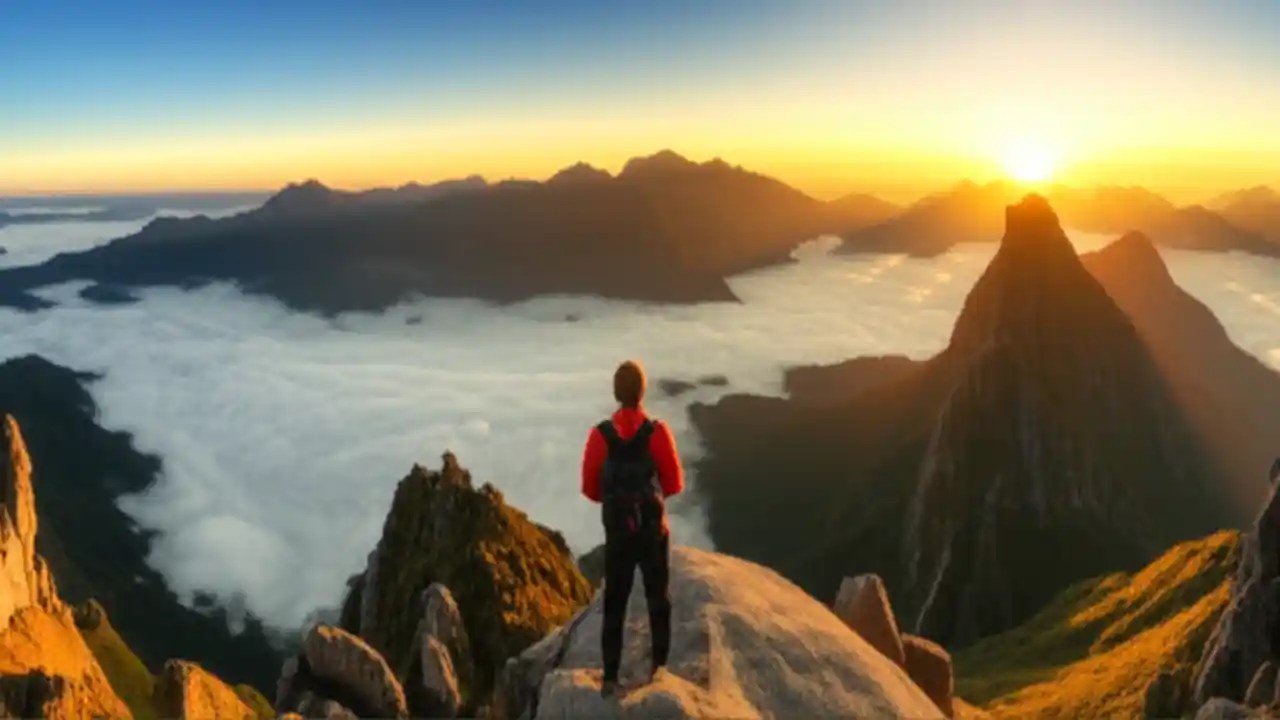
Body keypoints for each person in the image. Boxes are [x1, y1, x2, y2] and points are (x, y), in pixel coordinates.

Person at [581, 360, 684, 697]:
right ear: (643, 392)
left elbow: (590, 489)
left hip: (618, 535)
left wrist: (619, 503)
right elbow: (674, 483)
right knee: (658, 599)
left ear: (615, 392)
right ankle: (660, 671)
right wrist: (649, 500)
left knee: (615, 602)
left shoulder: (599, 436)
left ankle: (610, 678)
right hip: (653, 532)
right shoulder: (657, 432)